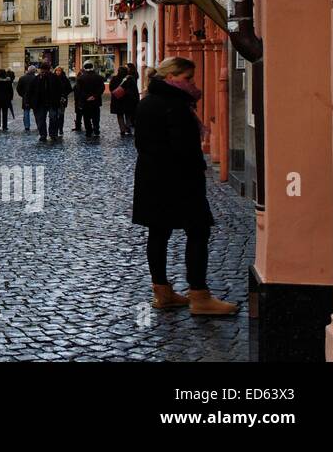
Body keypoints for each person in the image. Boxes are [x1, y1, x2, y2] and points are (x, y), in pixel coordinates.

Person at [132, 56, 238, 315]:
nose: (192, 83)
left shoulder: (147, 102)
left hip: (151, 177)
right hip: (179, 179)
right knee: (198, 231)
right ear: (171, 78)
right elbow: (183, 148)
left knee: (158, 233)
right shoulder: (176, 105)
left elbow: (142, 143)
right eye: (187, 78)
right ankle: (200, 296)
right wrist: (194, 173)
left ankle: (162, 292)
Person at [75, 62, 106, 137]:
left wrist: (86, 97)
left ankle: (88, 131)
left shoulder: (80, 78)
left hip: (85, 101)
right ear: (92, 68)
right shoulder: (99, 77)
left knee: (86, 117)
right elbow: (102, 88)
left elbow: (79, 90)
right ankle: (96, 130)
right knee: (96, 116)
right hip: (96, 101)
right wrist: (94, 96)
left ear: (84, 68)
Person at [49, 66, 72, 137]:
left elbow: (69, 89)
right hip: (54, 100)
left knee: (61, 115)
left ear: (61, 71)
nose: (58, 72)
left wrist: (64, 95)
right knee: (54, 116)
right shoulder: (52, 78)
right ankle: (54, 130)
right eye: (57, 71)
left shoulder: (65, 79)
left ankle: (60, 128)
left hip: (62, 100)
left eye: (59, 71)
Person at [16, 66, 37, 131]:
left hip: (25, 98)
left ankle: (27, 126)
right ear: (34, 71)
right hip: (35, 98)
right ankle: (38, 124)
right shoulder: (36, 78)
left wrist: (22, 95)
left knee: (26, 112)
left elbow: (18, 89)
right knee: (36, 113)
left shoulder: (22, 78)